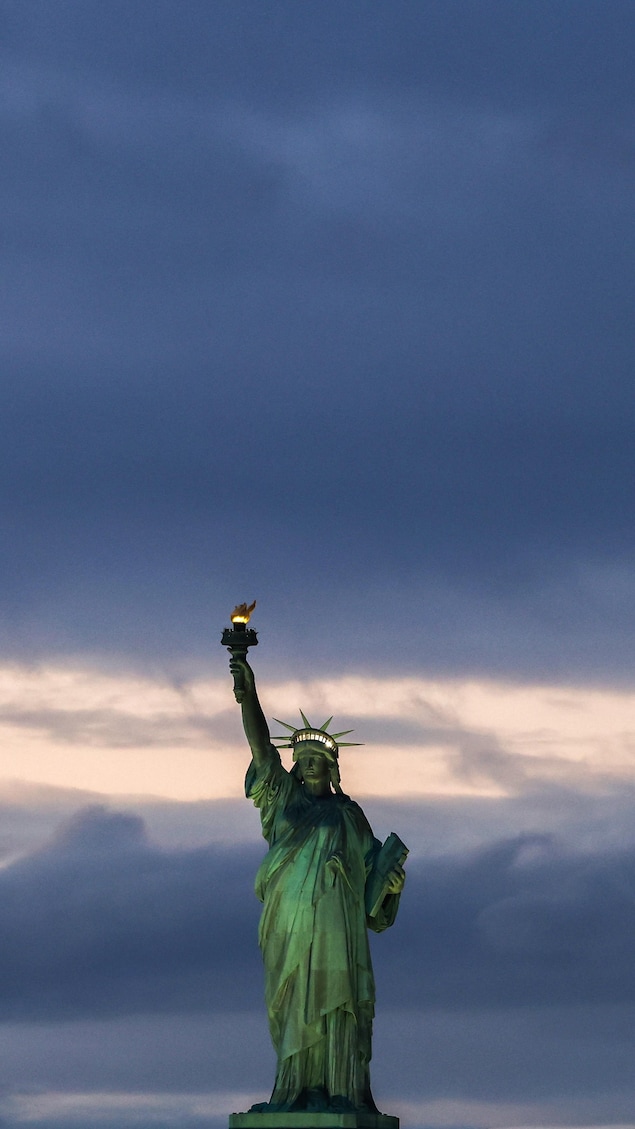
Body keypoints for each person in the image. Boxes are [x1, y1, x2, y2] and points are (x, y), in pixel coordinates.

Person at [230, 656, 405, 1115]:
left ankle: (339, 1089)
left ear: (332, 768)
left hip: (337, 925)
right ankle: (296, 1090)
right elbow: (261, 748)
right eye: (302, 759)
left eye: (317, 761)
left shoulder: (349, 815)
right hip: (288, 920)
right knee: (293, 1003)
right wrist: (247, 691)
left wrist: (391, 884)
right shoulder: (282, 801)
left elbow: (373, 884)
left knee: (337, 1002)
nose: (308, 766)